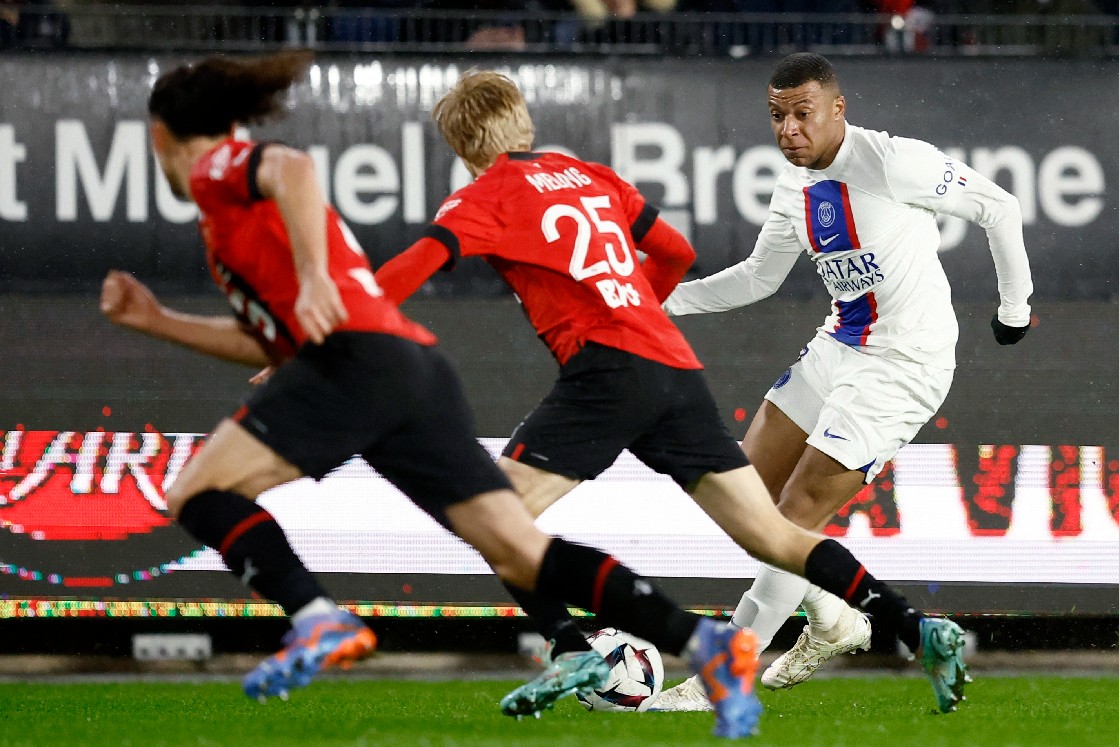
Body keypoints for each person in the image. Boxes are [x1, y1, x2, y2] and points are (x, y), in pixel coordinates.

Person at [101, 50, 776, 740]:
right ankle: (700, 642)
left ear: (160, 136)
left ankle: (313, 616)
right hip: (413, 370)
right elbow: (275, 339)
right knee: (517, 545)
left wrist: (310, 278)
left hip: (352, 365)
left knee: (195, 492)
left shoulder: (215, 169)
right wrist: (158, 320)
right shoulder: (239, 229)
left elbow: (293, 170)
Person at [374, 70, 969, 716]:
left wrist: (323, 343)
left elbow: (408, 269)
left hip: (604, 374)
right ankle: (915, 627)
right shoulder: (591, 177)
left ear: (463, 149)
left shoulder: (484, 196)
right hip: (672, 368)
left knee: (489, 515)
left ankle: (578, 644)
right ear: (523, 122)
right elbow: (675, 251)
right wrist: (637, 304)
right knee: (773, 532)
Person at [650, 51, 1032, 711]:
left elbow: (998, 207)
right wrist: (659, 303)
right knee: (743, 497)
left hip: (905, 362)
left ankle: (722, 678)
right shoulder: (792, 188)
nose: (789, 128)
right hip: (840, 345)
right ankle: (832, 617)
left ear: (837, 109)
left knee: (797, 513)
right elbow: (757, 279)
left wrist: (1014, 311)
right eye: (777, 115)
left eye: (802, 113)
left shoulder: (893, 161)